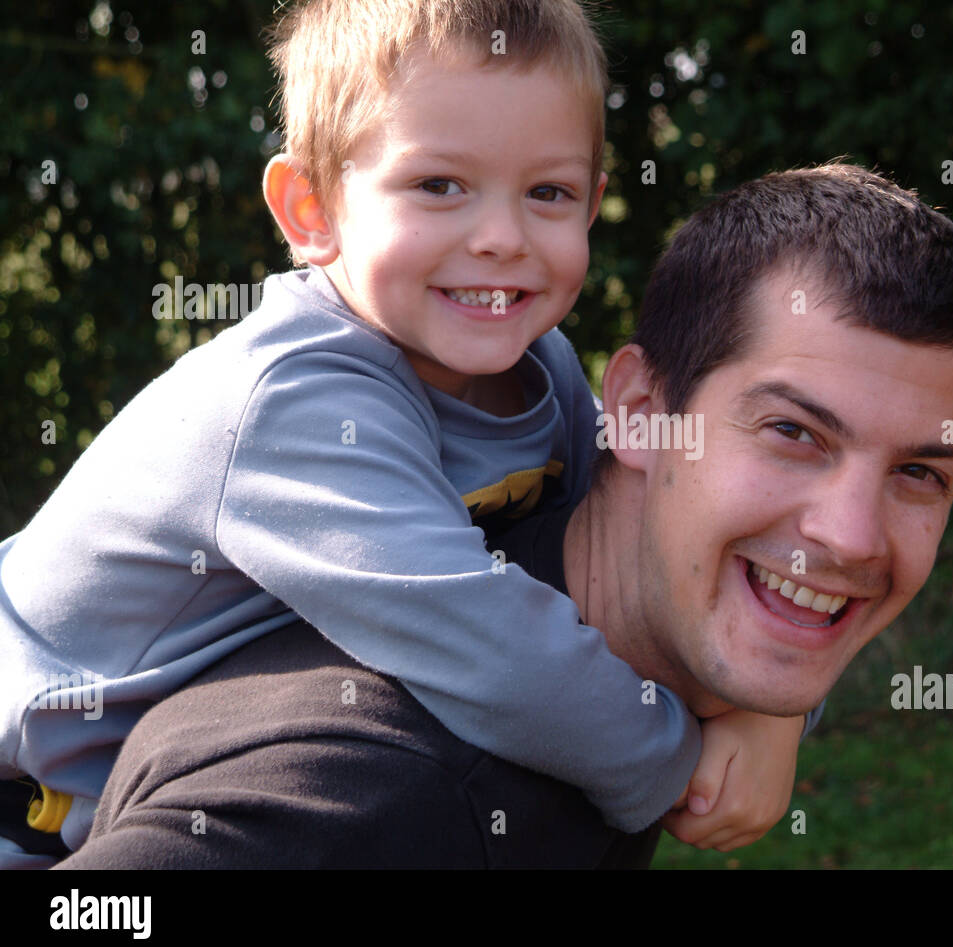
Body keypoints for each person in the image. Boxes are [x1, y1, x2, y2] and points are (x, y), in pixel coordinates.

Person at [0, 0, 812, 869]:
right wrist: (683, 758)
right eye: (439, 186)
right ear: (312, 208)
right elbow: (492, 650)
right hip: (31, 799)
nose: (501, 238)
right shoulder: (295, 400)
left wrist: (772, 710)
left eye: (548, 193)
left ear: (593, 205)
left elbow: (661, 548)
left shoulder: (547, 371)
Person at [52, 162, 953, 868]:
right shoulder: (386, 789)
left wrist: (767, 707)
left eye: (919, 471)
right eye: (792, 432)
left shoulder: (542, 478)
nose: (853, 535)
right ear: (636, 412)